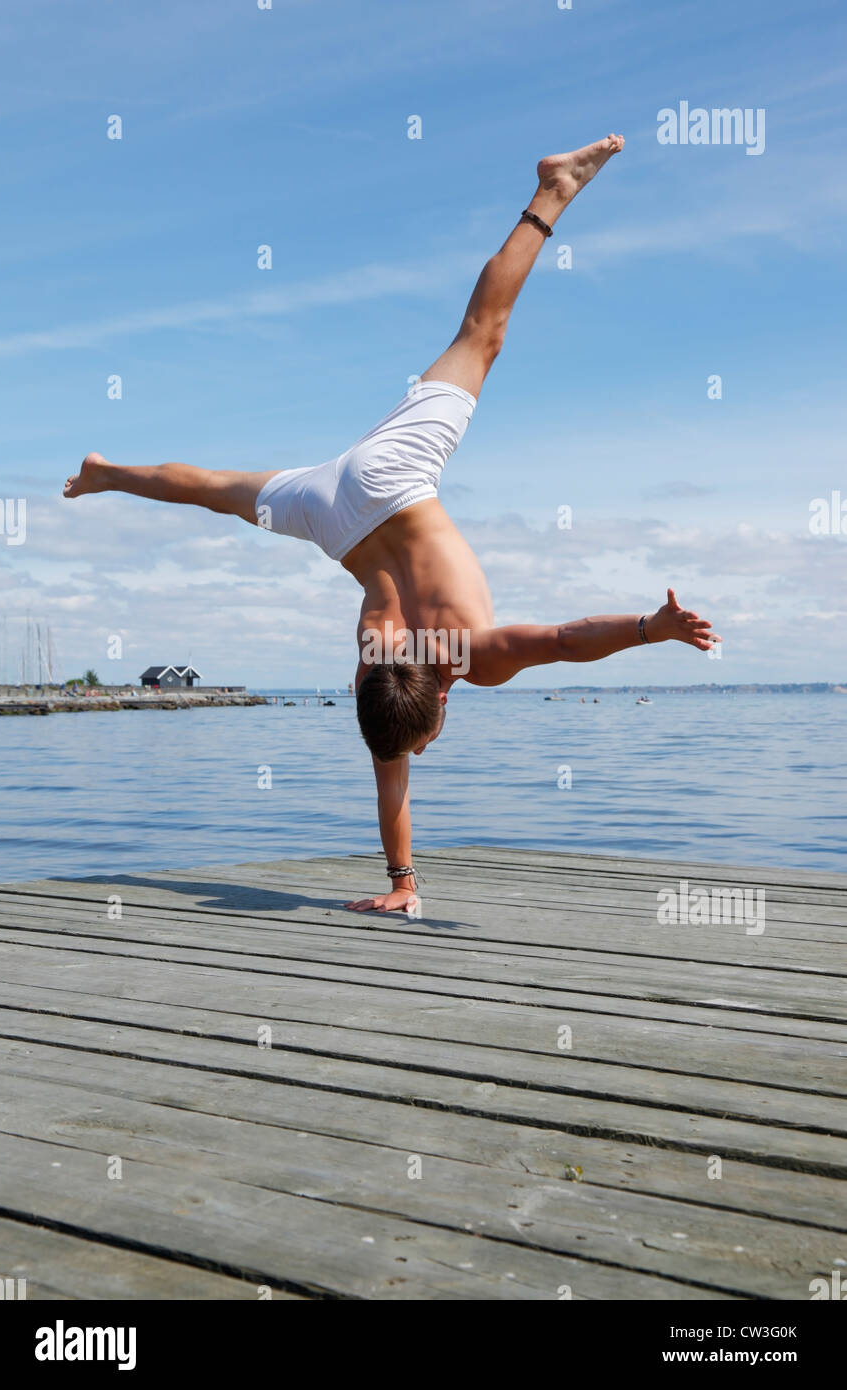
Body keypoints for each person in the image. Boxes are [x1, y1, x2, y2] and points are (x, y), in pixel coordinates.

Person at [63, 136, 720, 915]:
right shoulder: (374, 668)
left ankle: (553, 191)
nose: (408, 759)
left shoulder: (470, 659)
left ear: (440, 709)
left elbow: (568, 640)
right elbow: (396, 763)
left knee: (482, 336)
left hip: (394, 485)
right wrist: (401, 883)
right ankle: (105, 473)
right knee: (216, 490)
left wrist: (653, 627)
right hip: (332, 514)